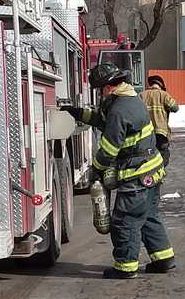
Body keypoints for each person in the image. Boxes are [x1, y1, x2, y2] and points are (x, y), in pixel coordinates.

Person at [61, 63, 173, 279]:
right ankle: (164, 259)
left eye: (100, 89)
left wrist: (96, 169)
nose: (100, 93)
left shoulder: (120, 109)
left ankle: (125, 267)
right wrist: (77, 113)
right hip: (151, 173)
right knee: (148, 216)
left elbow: (110, 147)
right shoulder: (130, 100)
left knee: (125, 220)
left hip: (137, 176)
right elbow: (103, 120)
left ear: (108, 87)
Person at [141, 74, 178, 167]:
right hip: (161, 132)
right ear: (161, 85)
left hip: (146, 132)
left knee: (148, 154)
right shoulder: (164, 95)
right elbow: (175, 108)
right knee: (163, 153)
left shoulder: (142, 95)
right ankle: (159, 171)